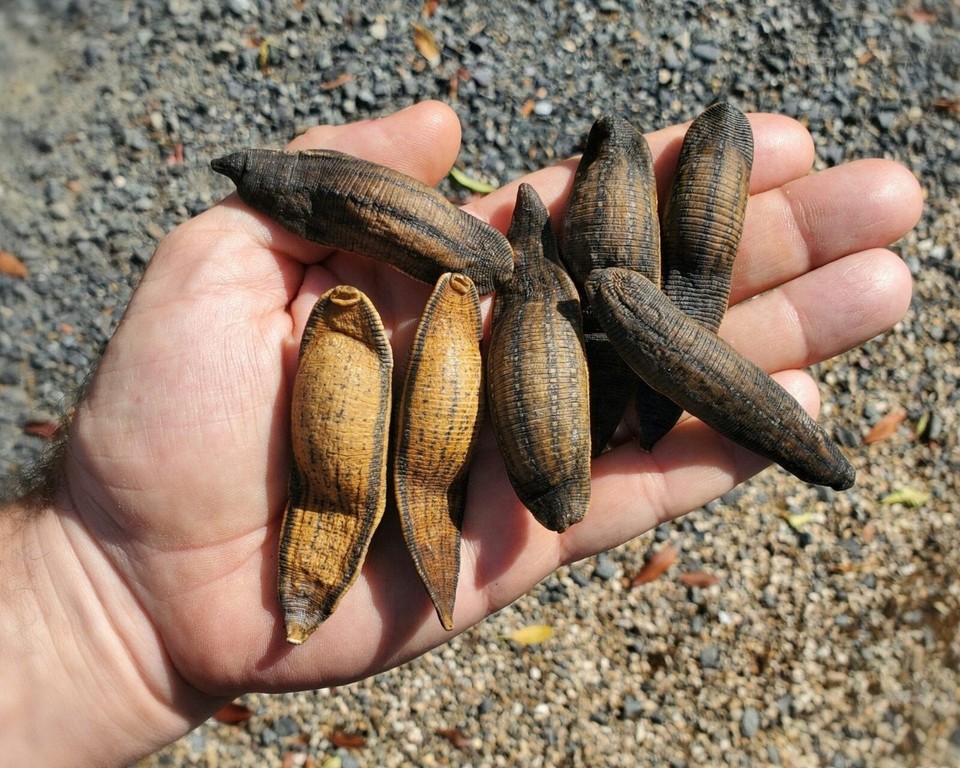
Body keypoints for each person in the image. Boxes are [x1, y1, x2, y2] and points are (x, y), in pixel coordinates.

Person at [0, 100, 920, 766]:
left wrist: (93, 591)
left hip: (565, 349)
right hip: (540, 352)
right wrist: (102, 588)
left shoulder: (557, 289)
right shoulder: (515, 286)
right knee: (611, 327)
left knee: (633, 324)